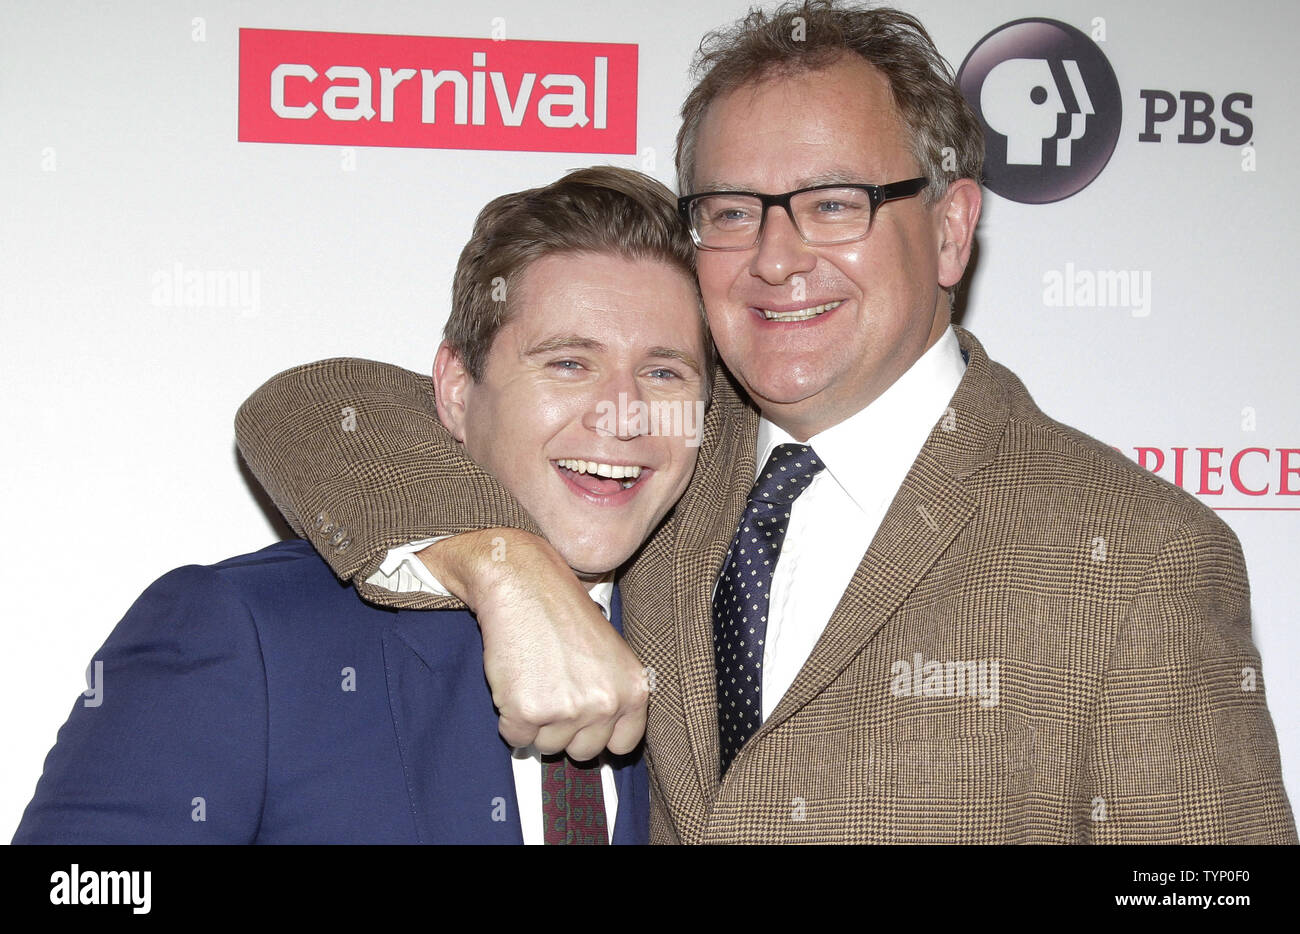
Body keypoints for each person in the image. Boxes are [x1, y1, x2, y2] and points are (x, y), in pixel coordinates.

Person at [234, 1, 1295, 843]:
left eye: (835, 202)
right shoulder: (665, 446)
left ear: (952, 228)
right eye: (732, 210)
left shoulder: (1138, 559)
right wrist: (504, 564)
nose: (777, 257)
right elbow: (315, 411)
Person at [13, 166, 714, 845]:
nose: (624, 415)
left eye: (663, 372)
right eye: (568, 362)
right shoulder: (249, 636)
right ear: (457, 390)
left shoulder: (708, 656)